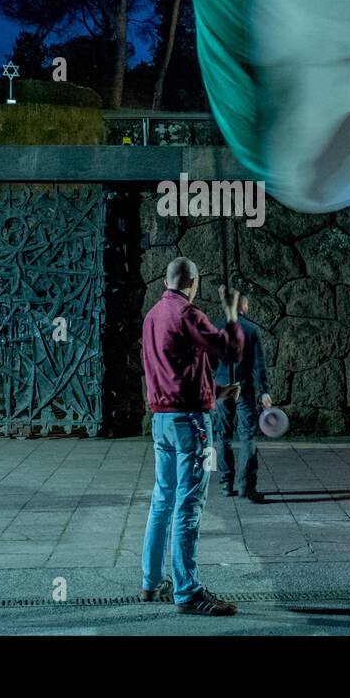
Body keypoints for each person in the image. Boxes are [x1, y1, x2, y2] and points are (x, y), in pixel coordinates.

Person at [140, 257, 244, 616]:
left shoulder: (152, 316)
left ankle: (152, 581)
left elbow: (174, 370)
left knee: (162, 500)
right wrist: (231, 315)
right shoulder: (188, 314)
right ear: (193, 281)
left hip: (163, 422)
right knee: (189, 504)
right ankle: (187, 591)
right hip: (190, 424)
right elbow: (230, 350)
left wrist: (214, 391)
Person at [213, 294, 272, 503]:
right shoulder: (251, 329)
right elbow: (259, 364)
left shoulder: (215, 326)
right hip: (243, 387)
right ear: (243, 306)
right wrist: (265, 390)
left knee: (223, 436)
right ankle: (246, 485)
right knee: (247, 436)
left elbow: (208, 360)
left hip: (222, 387)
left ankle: (225, 483)